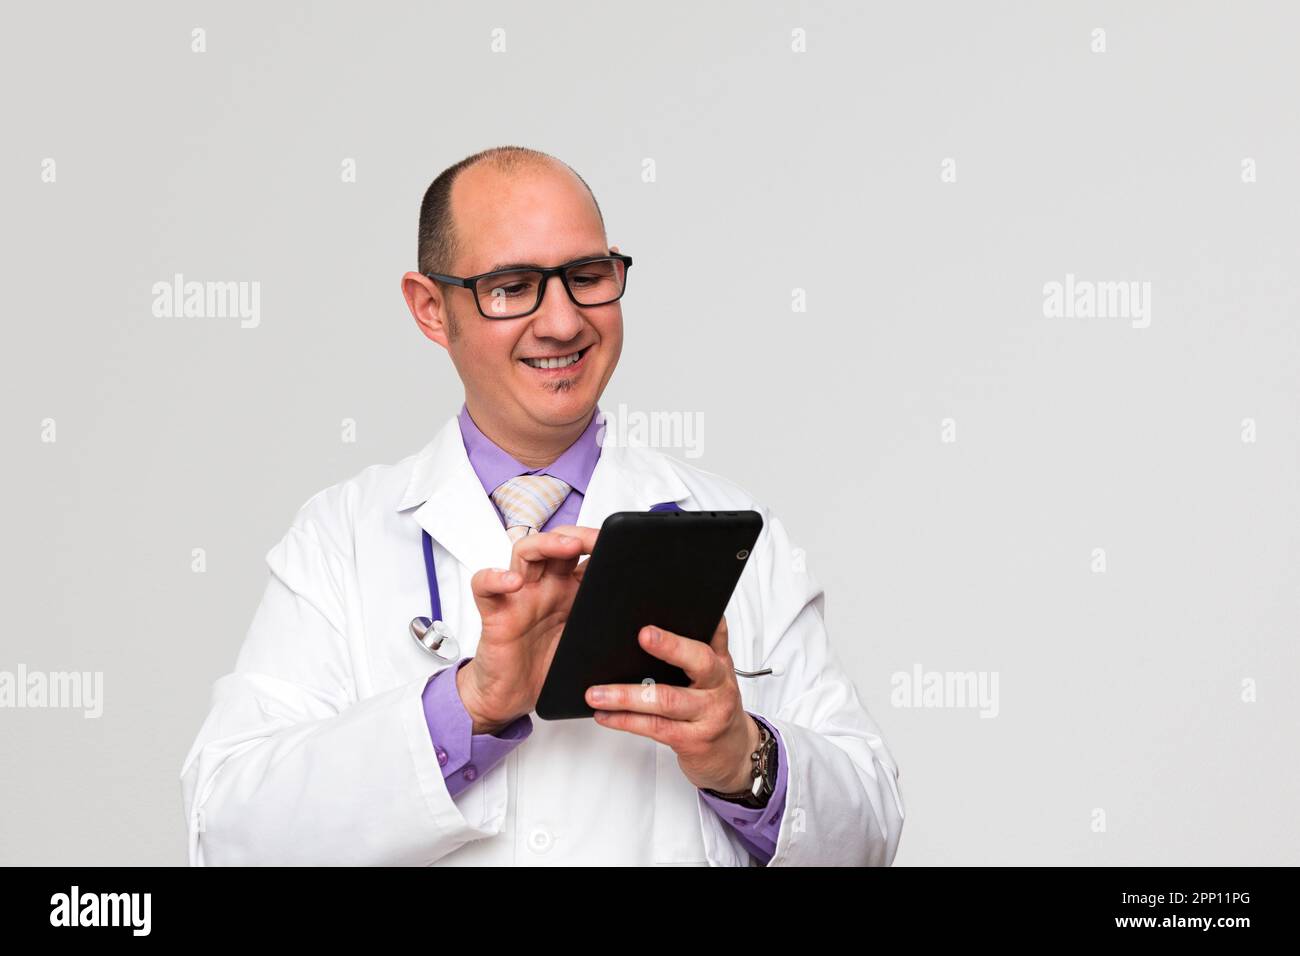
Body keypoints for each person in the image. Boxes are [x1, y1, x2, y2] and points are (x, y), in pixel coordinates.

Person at [179, 146, 905, 866]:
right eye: (512, 286)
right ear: (431, 308)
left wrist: (740, 755)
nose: (562, 323)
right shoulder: (341, 539)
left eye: (587, 277)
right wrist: (468, 707)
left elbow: (869, 830)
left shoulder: (735, 529)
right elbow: (231, 831)